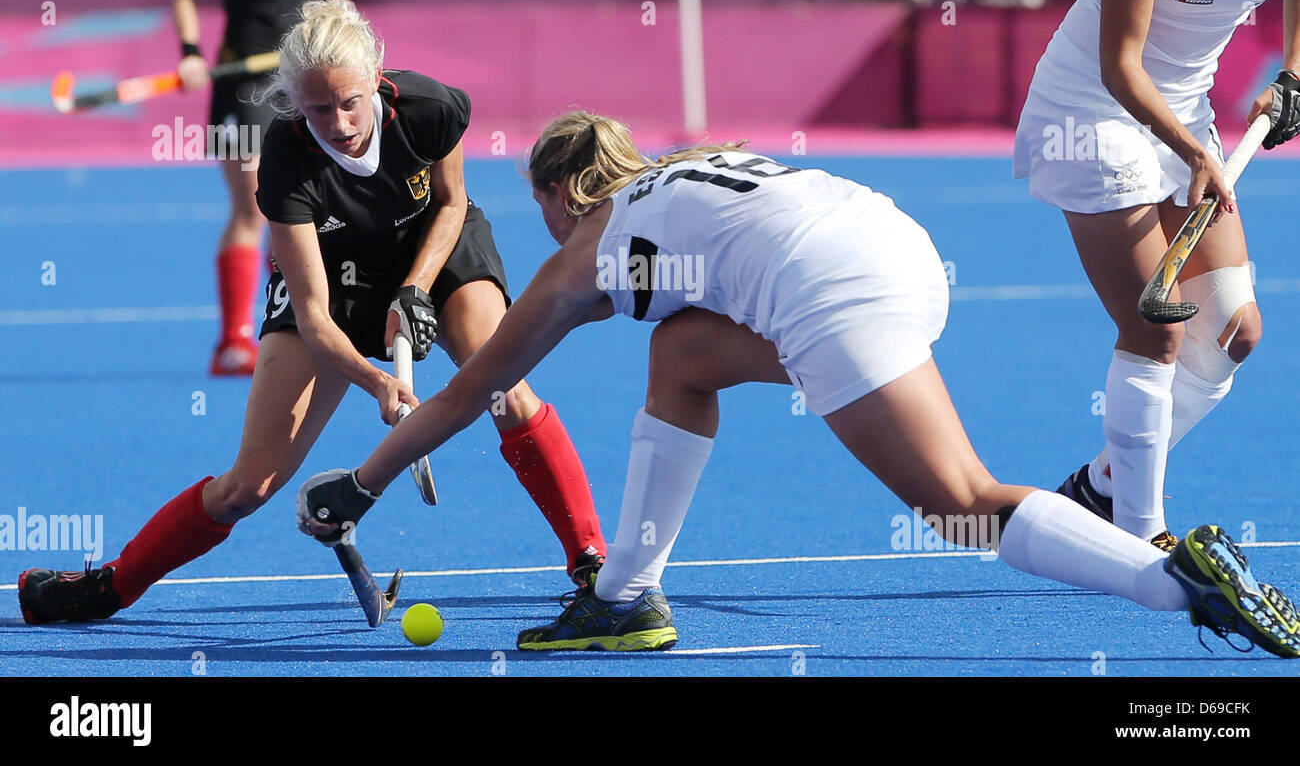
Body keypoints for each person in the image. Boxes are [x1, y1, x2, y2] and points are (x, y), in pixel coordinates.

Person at [294, 111, 1300, 657]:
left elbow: (472, 391)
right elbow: (724, 302)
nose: (546, 230)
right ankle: (626, 595)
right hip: (894, 250)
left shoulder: (579, 255)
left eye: (542, 209)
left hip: (832, 294)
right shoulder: (695, 164)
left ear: (560, 195)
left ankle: (1170, 582)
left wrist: (364, 481)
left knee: (956, 504)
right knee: (682, 358)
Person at [17, 0, 606, 624]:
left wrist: (413, 289)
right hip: (334, 276)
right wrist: (381, 382)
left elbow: (452, 204)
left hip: (434, 247)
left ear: (377, 81)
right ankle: (111, 586)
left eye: (350, 101)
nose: (340, 121)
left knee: (507, 392)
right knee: (248, 485)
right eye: (319, 108)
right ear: (296, 103)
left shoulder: (430, 108)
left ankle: (593, 567)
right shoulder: (288, 157)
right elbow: (317, 318)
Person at [1013, 0, 1300, 550]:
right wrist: (1193, 152)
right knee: (1156, 330)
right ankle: (1143, 539)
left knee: (1235, 332)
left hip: (1184, 113)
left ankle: (1101, 486)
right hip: (1092, 113)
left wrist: (1292, 72)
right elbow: (1119, 65)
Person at [173, 0, 348, 375]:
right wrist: (189, 53)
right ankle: (232, 342)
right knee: (253, 207)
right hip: (243, 89)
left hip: (301, 89)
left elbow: (340, 8)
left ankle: (293, 327)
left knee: (295, 212)